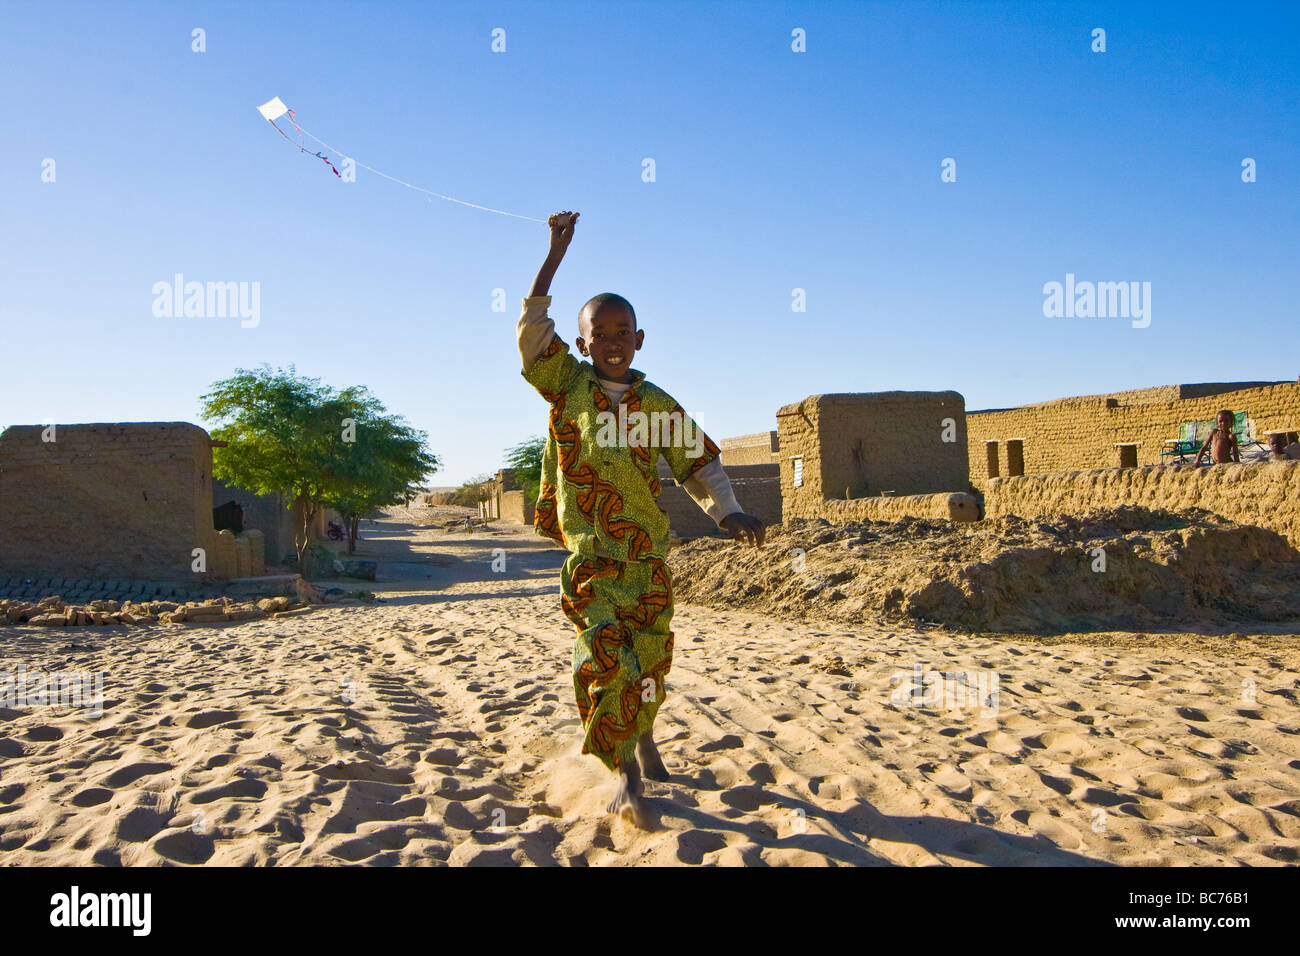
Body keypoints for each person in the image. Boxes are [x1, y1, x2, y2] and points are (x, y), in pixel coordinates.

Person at [517, 210, 765, 827]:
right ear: (582, 344)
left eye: (624, 330)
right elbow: (529, 332)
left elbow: (700, 465)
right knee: (605, 657)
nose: (613, 340)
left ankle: (643, 738)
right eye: (600, 332)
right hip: (593, 557)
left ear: (640, 339)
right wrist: (553, 258)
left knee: (649, 661)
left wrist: (729, 513)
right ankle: (625, 771)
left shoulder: (656, 404)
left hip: (647, 558)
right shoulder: (568, 388)